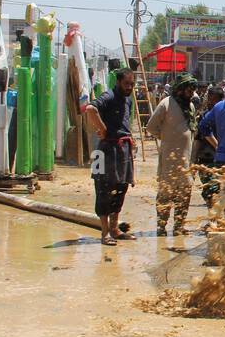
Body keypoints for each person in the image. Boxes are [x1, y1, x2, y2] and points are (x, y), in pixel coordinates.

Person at [82, 67, 138, 246]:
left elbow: (125, 124)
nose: (129, 87)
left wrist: (132, 140)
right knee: (103, 189)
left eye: (132, 84)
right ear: (118, 82)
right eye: (126, 84)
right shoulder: (108, 96)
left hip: (123, 150)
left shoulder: (128, 101)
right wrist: (102, 129)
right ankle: (104, 233)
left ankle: (115, 229)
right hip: (104, 151)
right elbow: (90, 108)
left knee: (121, 188)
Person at [145, 75, 199, 236]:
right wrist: (166, 138)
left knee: (184, 195)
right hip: (168, 159)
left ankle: (179, 226)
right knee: (165, 194)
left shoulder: (190, 106)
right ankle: (161, 227)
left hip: (186, 160)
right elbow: (151, 127)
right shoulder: (166, 104)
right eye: (189, 90)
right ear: (180, 89)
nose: (191, 93)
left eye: (193, 90)